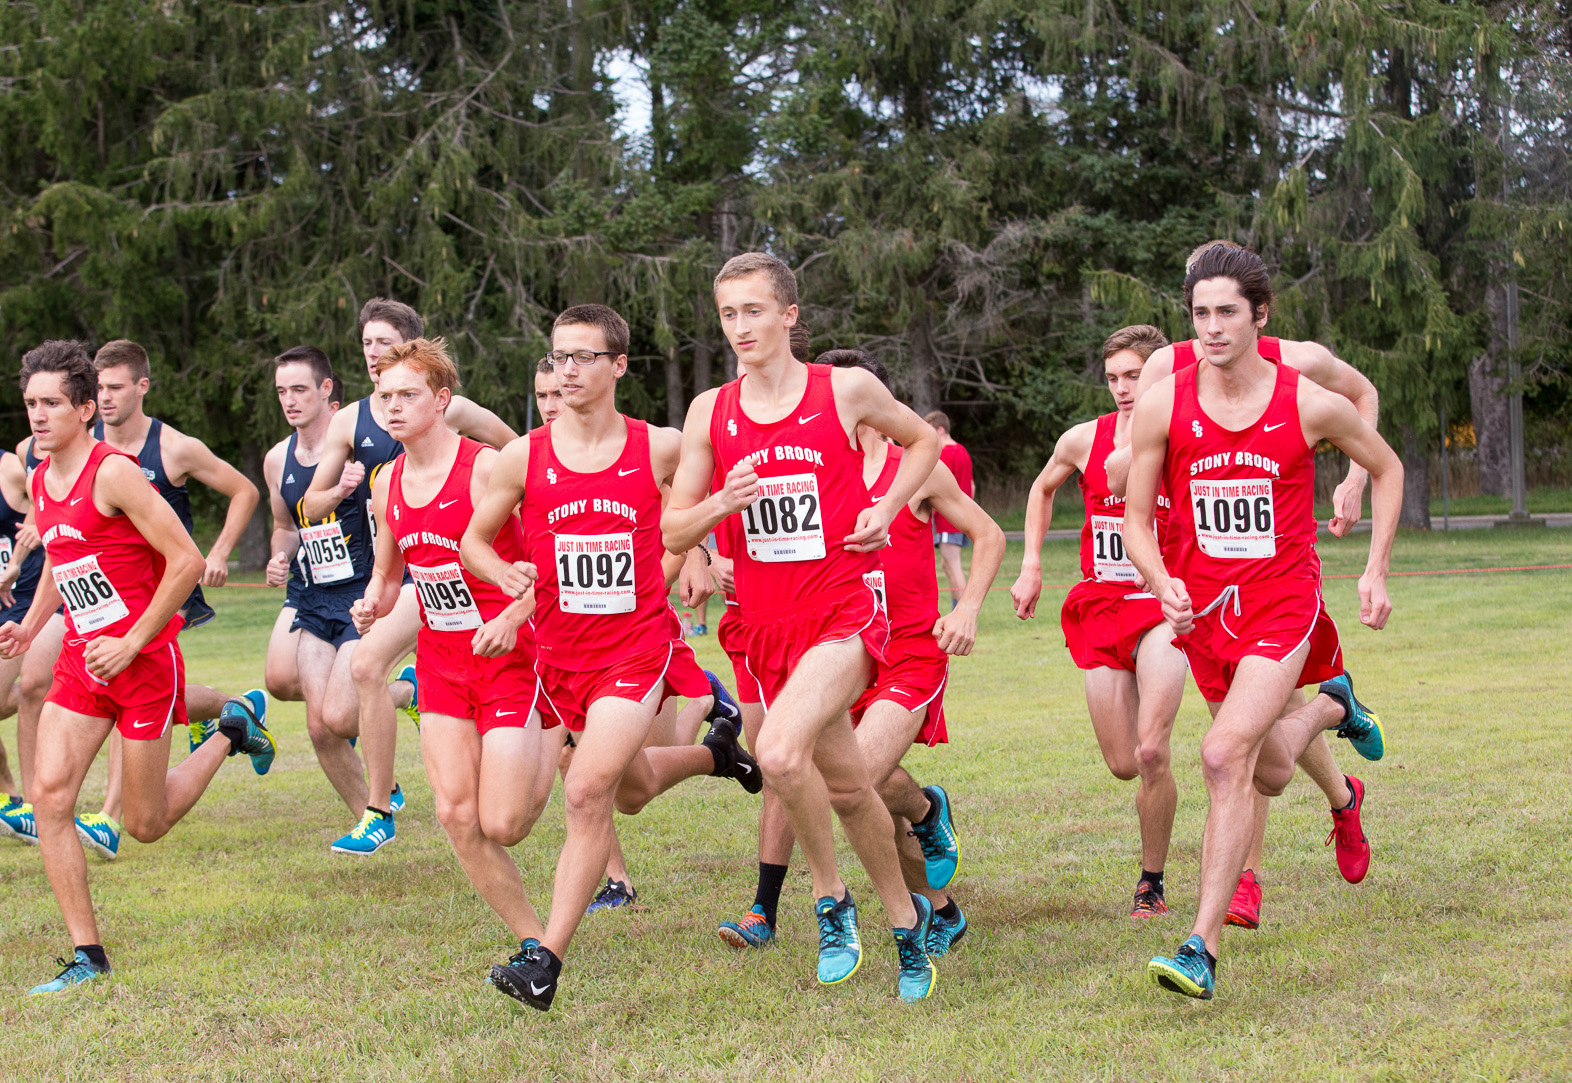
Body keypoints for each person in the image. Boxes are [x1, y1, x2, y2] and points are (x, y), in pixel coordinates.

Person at [663, 253, 943, 1003]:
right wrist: (721, 504)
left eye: (754, 310)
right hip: (763, 625)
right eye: (728, 313)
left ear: (789, 315)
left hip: (843, 613)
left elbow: (924, 440)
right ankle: (907, 921)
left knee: (780, 752)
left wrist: (886, 508)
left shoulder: (843, 389)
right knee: (849, 788)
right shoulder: (709, 411)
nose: (740, 327)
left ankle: (829, 901)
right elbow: (672, 527)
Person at [1122, 244, 1400, 999]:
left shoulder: (1306, 396)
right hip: (1205, 612)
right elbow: (1135, 518)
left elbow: (1388, 464)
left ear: (1260, 315)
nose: (1211, 328)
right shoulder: (1163, 400)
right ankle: (1334, 706)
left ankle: (1201, 946)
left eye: (1226, 312)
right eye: (1200, 313)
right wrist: (1161, 580)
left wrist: (1373, 567)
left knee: (1221, 756)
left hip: (1282, 603)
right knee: (1269, 768)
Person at [465, 303, 760, 1011]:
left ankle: (545, 962)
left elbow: (690, 505)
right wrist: (503, 574)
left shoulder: (658, 446)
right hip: (559, 658)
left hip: (636, 650)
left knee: (587, 791)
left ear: (619, 365)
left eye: (583, 357)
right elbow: (473, 540)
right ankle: (719, 754)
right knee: (629, 789)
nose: (567, 370)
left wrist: (699, 553)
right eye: (558, 357)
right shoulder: (524, 456)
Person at [0, 340, 275, 994]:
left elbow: (185, 562)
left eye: (51, 403)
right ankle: (87, 954)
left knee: (146, 824)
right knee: (51, 798)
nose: (37, 415)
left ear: (84, 409)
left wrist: (130, 642)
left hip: (145, 661)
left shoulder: (115, 473)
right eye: (31, 402)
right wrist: (31, 625)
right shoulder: (38, 478)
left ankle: (232, 728)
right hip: (82, 661)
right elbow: (63, 560)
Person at [719, 348, 1003, 956]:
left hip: (908, 652)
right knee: (851, 790)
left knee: (859, 781)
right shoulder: (812, 472)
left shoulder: (917, 471)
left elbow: (989, 534)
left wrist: (969, 608)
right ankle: (940, 899)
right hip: (842, 649)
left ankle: (922, 812)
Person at [350, 338, 550, 965]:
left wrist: (514, 616)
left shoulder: (486, 467)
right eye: (384, 396)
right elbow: (389, 576)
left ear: (441, 400)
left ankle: (559, 731)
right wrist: (372, 603)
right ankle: (534, 942)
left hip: (510, 652)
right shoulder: (386, 482)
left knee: (505, 823)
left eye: (407, 395)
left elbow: (548, 560)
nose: (393, 407)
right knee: (456, 814)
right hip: (441, 661)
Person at [299, 299, 516, 853]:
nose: (373, 352)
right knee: (356, 677)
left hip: (475, 577)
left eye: (384, 342)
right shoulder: (351, 421)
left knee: (509, 809)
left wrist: (513, 492)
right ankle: (380, 803)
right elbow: (312, 504)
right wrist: (343, 491)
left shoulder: (455, 411)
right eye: (366, 343)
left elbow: (522, 455)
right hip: (417, 571)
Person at [1010, 325, 1194, 919]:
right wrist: (1032, 563)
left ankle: (1151, 883)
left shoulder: (1186, 434)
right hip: (1102, 606)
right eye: (1113, 377)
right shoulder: (1083, 439)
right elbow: (1041, 490)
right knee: (1122, 763)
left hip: (1162, 605)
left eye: (1134, 375)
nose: (1122, 387)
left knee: (1151, 752)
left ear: (1160, 373)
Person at [924, 411, 973, 609]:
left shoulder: (945, 453)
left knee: (953, 566)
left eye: (931, 431)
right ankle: (956, 608)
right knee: (947, 565)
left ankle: (962, 611)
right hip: (963, 515)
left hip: (949, 519)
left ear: (941, 430)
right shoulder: (962, 451)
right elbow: (971, 485)